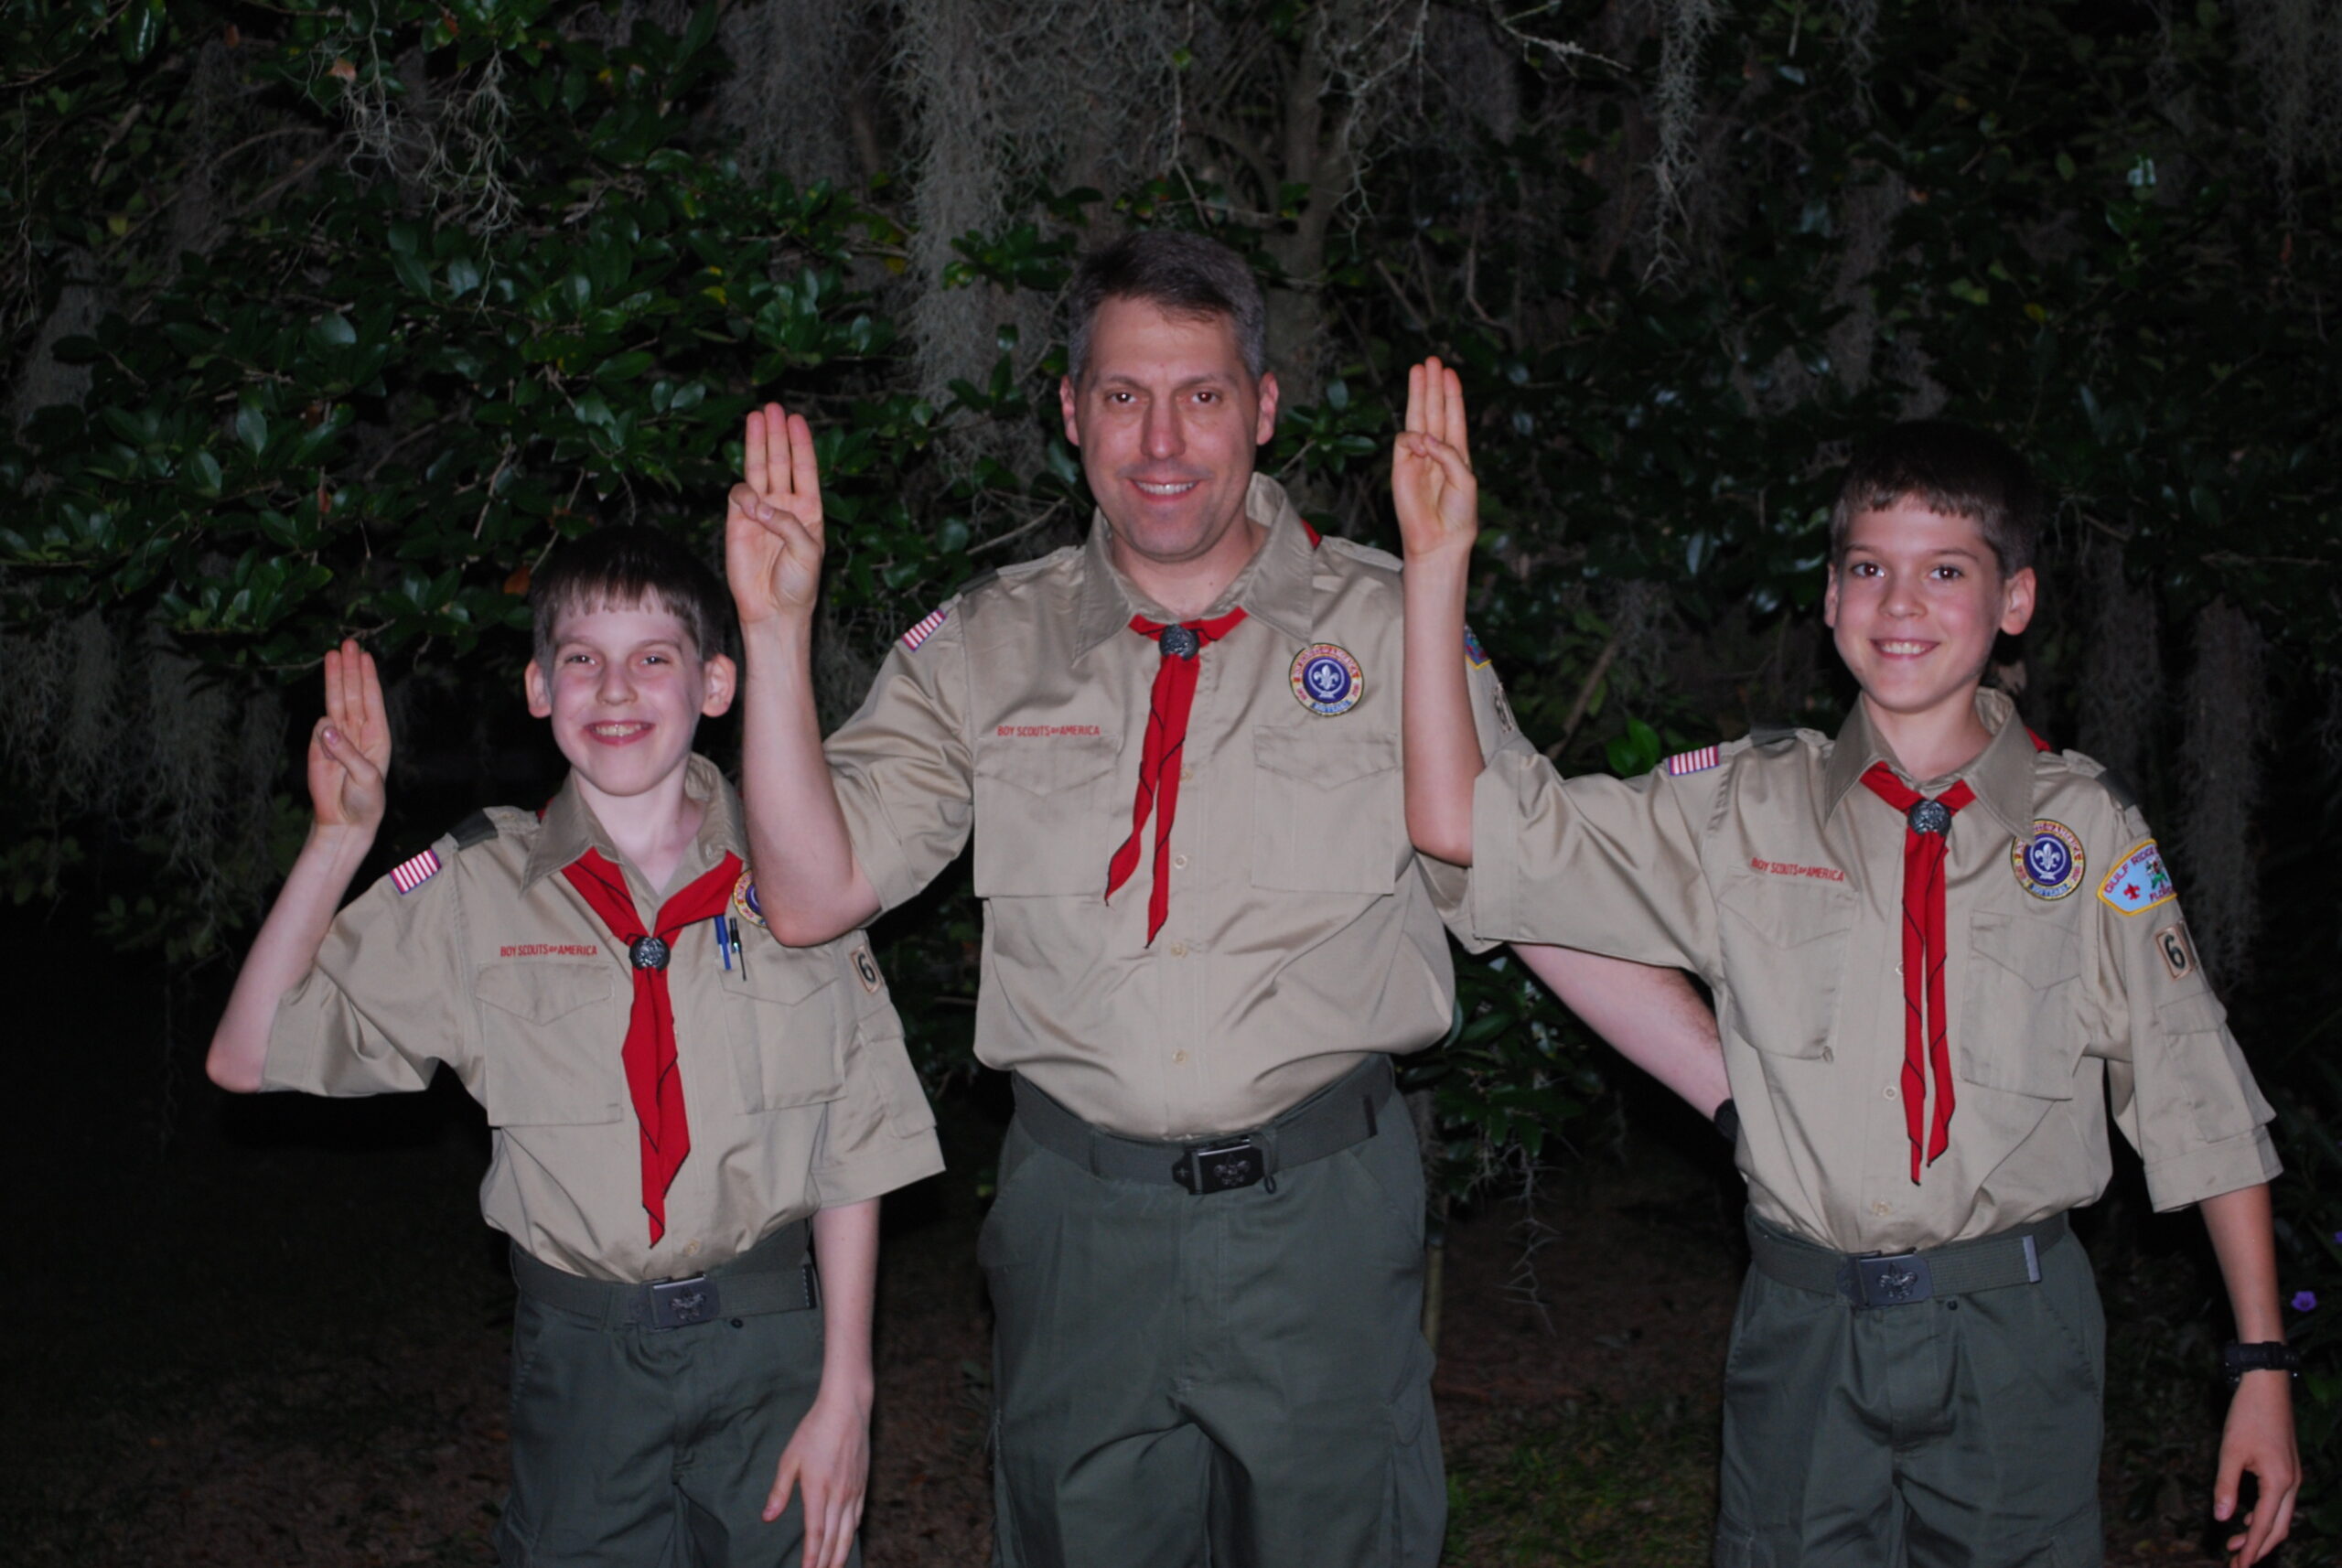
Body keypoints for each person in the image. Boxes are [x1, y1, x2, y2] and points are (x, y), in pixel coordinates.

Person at [723, 229, 1732, 1568]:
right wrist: (776, 637)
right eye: (1124, 396)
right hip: (1080, 1227)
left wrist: (1744, 1098)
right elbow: (808, 893)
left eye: (1201, 395)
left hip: (1314, 1218)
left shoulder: (1387, 625)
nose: (1161, 441)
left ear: (1261, 407)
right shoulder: (987, 644)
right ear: (1070, 411)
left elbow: (1527, 887)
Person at [1396, 403, 2301, 1567]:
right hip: (1803, 1323)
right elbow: (1458, 824)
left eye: (1945, 570)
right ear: (1828, 600)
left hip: (2013, 1335)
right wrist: (1436, 565)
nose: (1900, 603)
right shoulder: (1739, 808)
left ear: (2013, 602)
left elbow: (2201, 1109)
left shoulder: (2084, 835)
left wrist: (2263, 1365)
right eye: (1867, 568)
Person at [205, 527, 943, 1568]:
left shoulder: (798, 868)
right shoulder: (476, 888)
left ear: (717, 682)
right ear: (539, 689)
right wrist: (336, 841)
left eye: (654, 656)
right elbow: (246, 1055)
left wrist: (846, 1391)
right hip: (585, 1357)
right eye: (582, 659)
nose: (616, 688)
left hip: (772, 1340)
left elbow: (854, 1139)